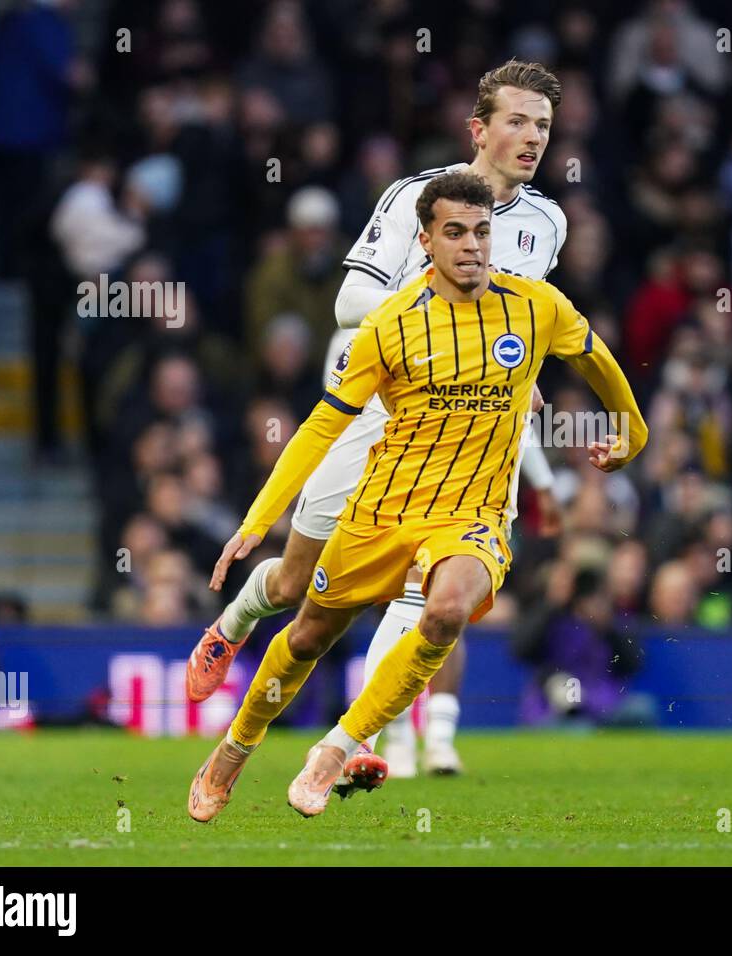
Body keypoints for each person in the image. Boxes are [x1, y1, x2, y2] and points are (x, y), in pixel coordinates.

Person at [187, 170, 648, 821]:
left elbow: (598, 361)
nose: (472, 246)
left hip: (472, 518)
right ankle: (231, 753)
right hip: (383, 510)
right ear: (426, 241)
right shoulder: (390, 325)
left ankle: (340, 748)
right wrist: (259, 518)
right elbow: (324, 423)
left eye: (482, 232)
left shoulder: (537, 305)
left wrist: (632, 429)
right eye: (455, 232)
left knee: (446, 611)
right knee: (305, 635)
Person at [186, 61, 566, 777]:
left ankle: (353, 741)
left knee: (429, 588)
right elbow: (350, 303)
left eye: (543, 125)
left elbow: (524, 321)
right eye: (516, 121)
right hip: (379, 404)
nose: (531, 137)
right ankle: (232, 623)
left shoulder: (547, 223)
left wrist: (522, 378)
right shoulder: (414, 197)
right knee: (297, 585)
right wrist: (445, 327)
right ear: (478, 129)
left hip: (469, 431)